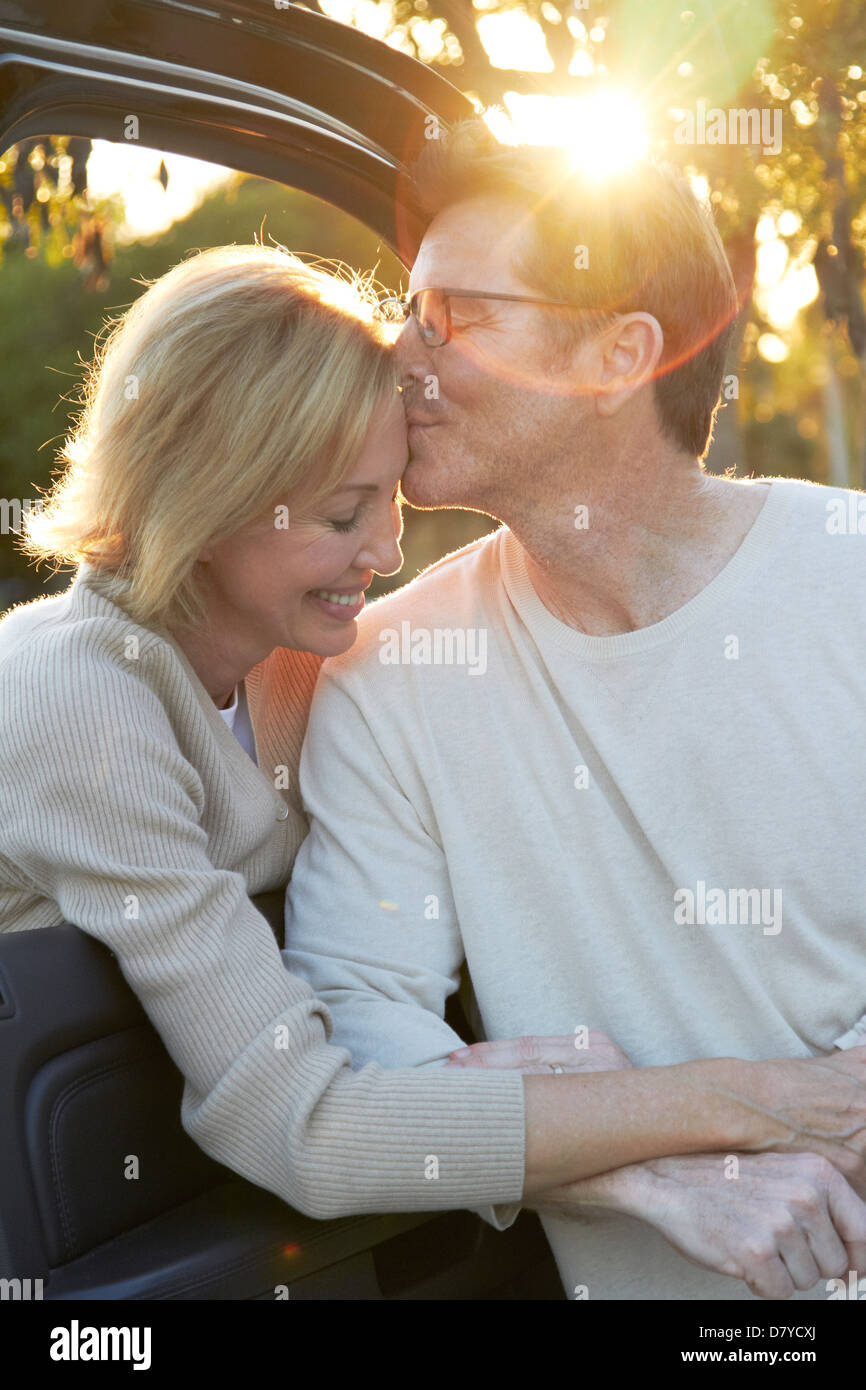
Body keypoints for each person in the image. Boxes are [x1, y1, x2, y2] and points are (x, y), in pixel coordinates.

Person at [4, 243, 845, 1240]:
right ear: (208, 496)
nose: (389, 552)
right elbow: (302, 1120)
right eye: (340, 514)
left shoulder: (303, 661)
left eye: (391, 496)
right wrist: (737, 1111)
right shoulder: (68, 694)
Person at [282, 124, 866, 1299]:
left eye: (456, 316)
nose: (398, 354)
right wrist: (643, 1169)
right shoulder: (387, 670)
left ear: (614, 359)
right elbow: (357, 1051)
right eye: (408, 309)